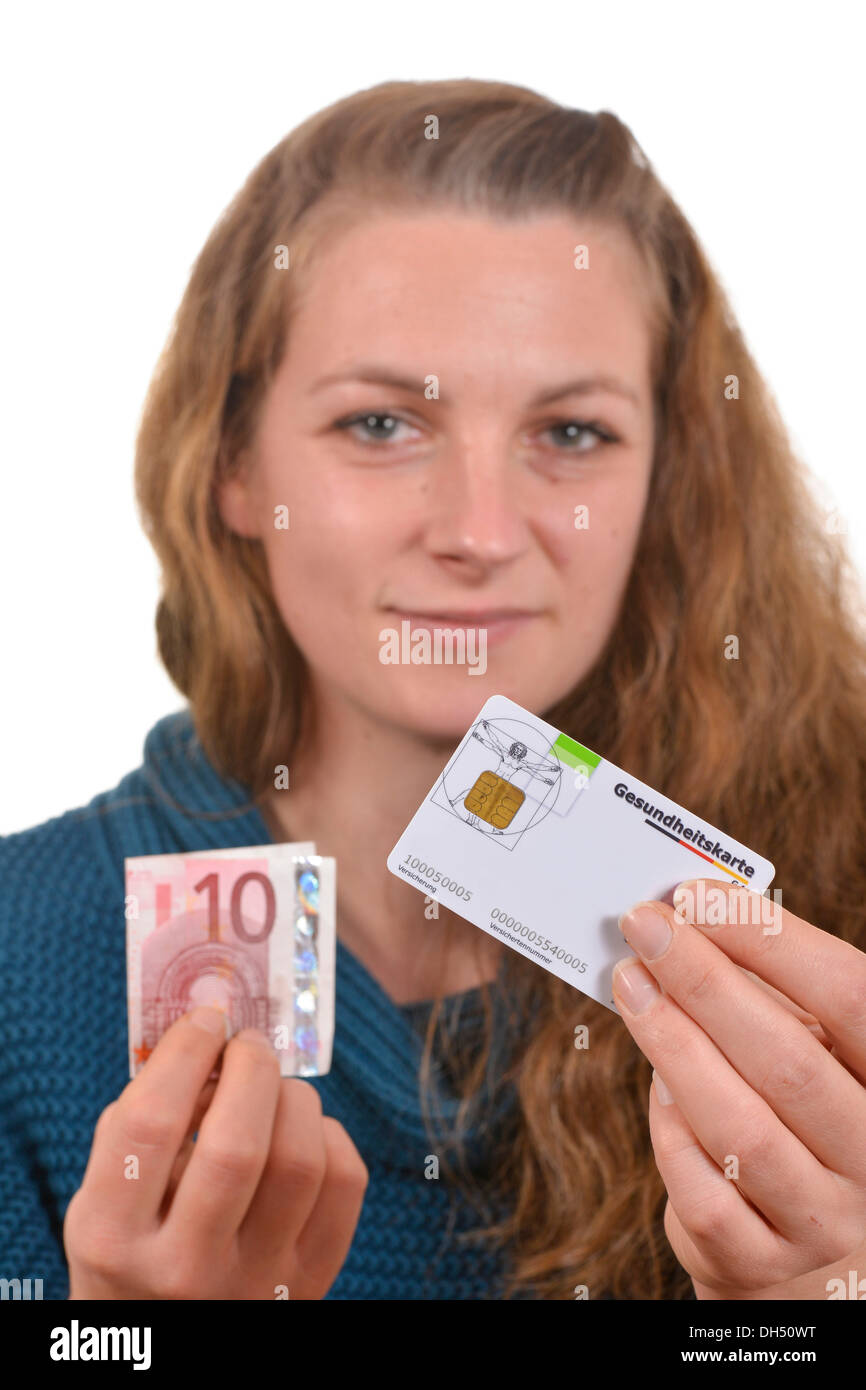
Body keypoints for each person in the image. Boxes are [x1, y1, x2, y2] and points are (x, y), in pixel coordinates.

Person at [2, 77, 866, 1302]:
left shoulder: (839, 915)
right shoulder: (16, 960)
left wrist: (823, 1299)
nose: (478, 530)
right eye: (379, 424)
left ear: (666, 478)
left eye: (568, 433)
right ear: (232, 464)